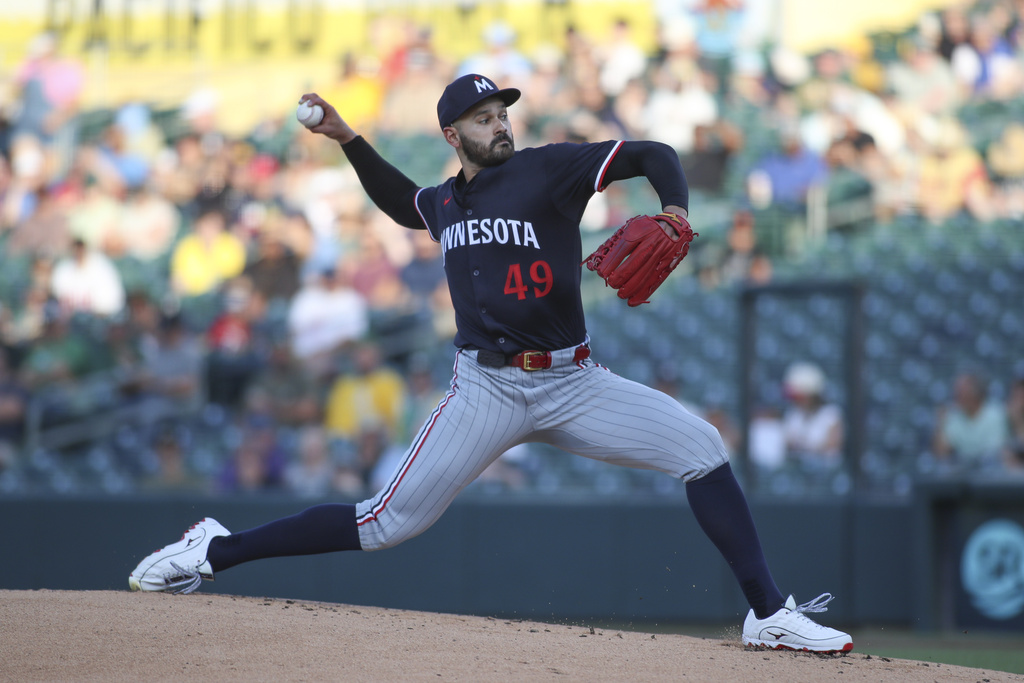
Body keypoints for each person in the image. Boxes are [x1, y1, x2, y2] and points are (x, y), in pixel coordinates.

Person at [128, 73, 852, 653]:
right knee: (386, 522)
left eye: (502, 111)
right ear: (453, 134)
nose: (499, 123)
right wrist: (348, 137)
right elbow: (399, 201)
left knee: (703, 447)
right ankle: (215, 550)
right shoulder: (445, 200)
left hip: (573, 381)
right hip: (486, 388)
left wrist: (676, 208)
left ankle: (768, 613)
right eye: (482, 117)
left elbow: (651, 153)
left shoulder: (548, 171)